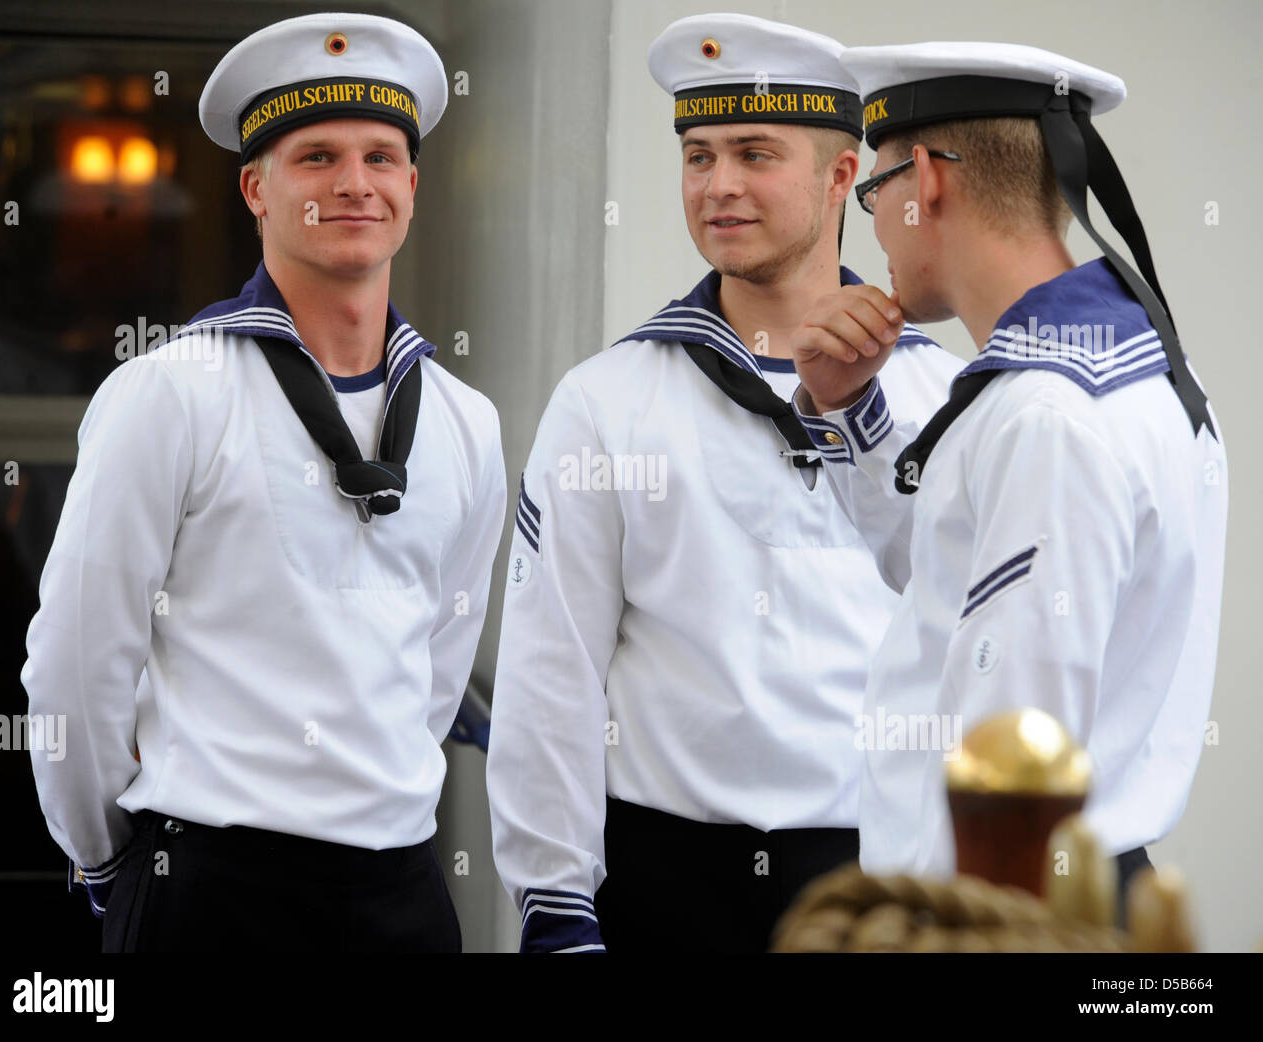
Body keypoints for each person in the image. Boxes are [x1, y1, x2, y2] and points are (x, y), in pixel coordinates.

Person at [21, 12, 505, 952]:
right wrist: (106, 859)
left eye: (379, 156)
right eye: (316, 157)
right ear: (255, 187)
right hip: (209, 893)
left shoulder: (466, 420)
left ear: (412, 184)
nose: (353, 183)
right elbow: (77, 665)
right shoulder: (167, 394)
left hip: (402, 896)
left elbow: (439, 669)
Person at [486, 13, 963, 953]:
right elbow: (553, 670)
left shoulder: (941, 392)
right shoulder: (607, 399)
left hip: (879, 880)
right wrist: (554, 902)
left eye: (754, 153)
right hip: (666, 883)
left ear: (840, 178)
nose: (719, 186)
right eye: (698, 156)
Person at [788, 41, 1227, 901]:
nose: (870, 225)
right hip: (1074, 890)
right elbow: (953, 577)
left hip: (1001, 909)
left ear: (927, 181)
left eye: (875, 192)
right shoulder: (1139, 367)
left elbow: (1011, 757)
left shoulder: (1045, 418)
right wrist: (846, 409)